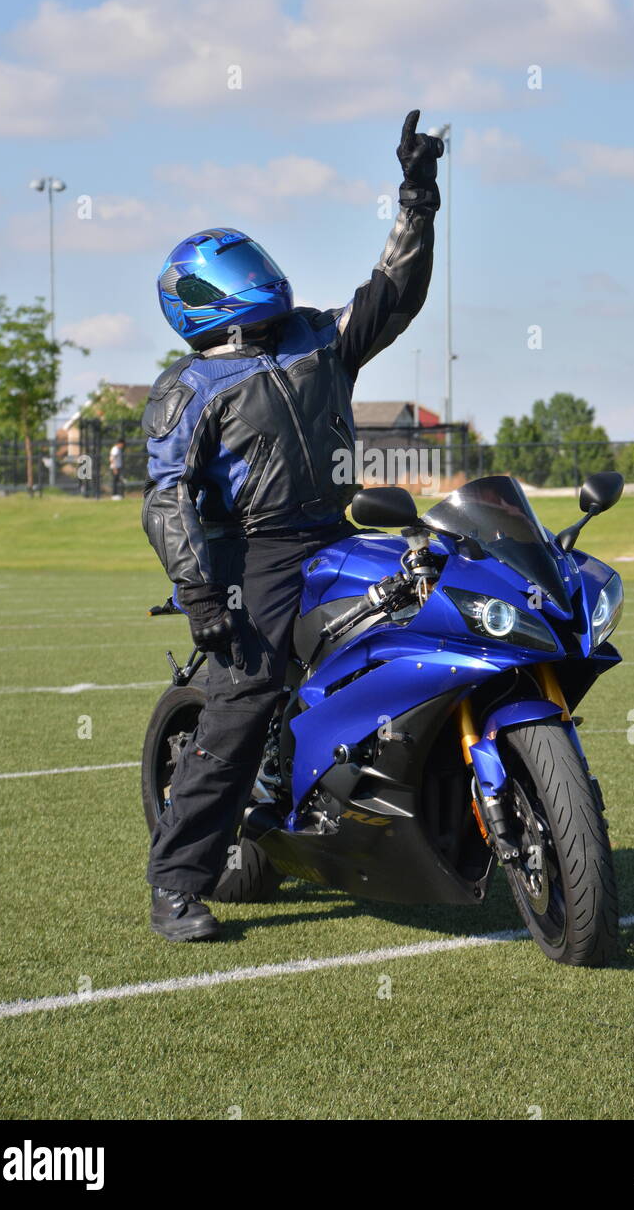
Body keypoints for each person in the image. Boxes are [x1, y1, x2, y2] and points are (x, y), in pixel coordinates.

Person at [142, 110, 442, 940]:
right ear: (197, 300)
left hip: (339, 531)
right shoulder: (188, 389)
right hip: (256, 552)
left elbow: (396, 292)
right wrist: (201, 593)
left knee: (437, 605)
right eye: (235, 273)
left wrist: (417, 196)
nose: (258, 277)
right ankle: (177, 882)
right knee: (245, 701)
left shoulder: (319, 336)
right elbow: (167, 500)